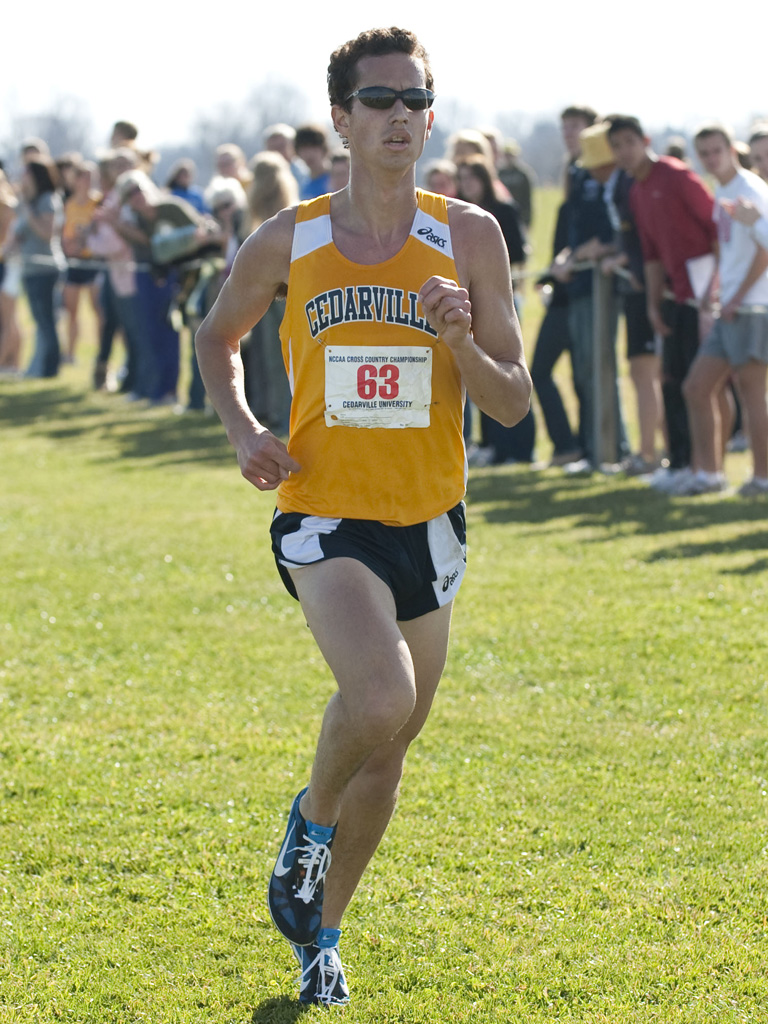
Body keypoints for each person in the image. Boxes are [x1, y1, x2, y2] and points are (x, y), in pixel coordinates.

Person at [195, 25, 530, 1007]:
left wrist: (461, 342)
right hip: (322, 515)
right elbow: (216, 338)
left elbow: (510, 402)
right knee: (377, 699)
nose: (401, 117)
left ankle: (321, 933)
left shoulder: (468, 234)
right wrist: (245, 428)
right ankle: (309, 818)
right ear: (340, 119)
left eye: (417, 101)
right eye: (380, 101)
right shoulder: (287, 239)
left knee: (391, 750)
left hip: (428, 520)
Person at [609, 114, 718, 493]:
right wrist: (653, 305)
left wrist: (712, 290)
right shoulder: (636, 191)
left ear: (645, 139)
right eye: (617, 145)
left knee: (701, 384)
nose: (624, 151)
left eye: (629, 142)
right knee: (671, 381)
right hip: (671, 299)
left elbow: (715, 230)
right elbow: (651, 255)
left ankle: (708, 469)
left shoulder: (677, 175)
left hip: (702, 296)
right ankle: (681, 463)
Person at [681, 124, 768, 497]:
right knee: (696, 387)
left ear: (732, 149)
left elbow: (765, 249)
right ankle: (710, 475)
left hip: (750, 308)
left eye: (717, 150)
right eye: (705, 152)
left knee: (752, 394)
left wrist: (735, 298)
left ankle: (762, 478)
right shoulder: (723, 192)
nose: (712, 158)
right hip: (728, 306)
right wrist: (714, 288)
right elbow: (729, 249)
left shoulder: (752, 190)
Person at [12, 156, 65, 377]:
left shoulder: (47, 200)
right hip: (29, 269)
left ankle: (51, 369)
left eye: (26, 172)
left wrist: (27, 210)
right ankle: (43, 366)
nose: (22, 176)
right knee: (39, 322)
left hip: (47, 269)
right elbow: (18, 236)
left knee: (47, 321)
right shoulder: (28, 201)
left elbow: (46, 233)